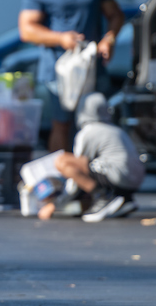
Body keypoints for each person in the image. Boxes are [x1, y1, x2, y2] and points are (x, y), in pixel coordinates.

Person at [18, 0, 125, 152]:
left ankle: (94, 174)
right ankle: (62, 176)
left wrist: (109, 39)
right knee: (62, 123)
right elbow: (26, 30)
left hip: (92, 67)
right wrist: (60, 39)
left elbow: (116, 16)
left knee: (97, 120)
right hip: (58, 69)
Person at [37, 93, 146, 222]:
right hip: (134, 181)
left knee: (63, 161)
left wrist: (56, 204)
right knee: (95, 162)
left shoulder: (88, 131)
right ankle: (124, 199)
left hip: (117, 176)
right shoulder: (116, 130)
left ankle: (102, 197)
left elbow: (76, 176)